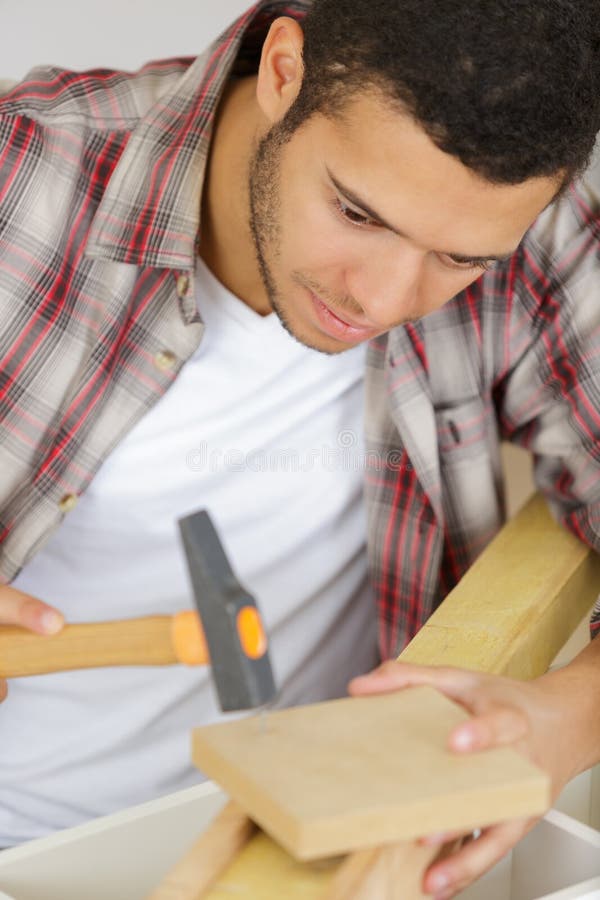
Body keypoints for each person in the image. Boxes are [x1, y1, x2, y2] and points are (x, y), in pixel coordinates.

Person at [0, 0, 599, 893]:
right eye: (359, 214)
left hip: (312, 849)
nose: (386, 299)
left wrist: (568, 717)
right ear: (284, 70)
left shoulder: (528, 218)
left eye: (461, 261)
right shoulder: (24, 182)